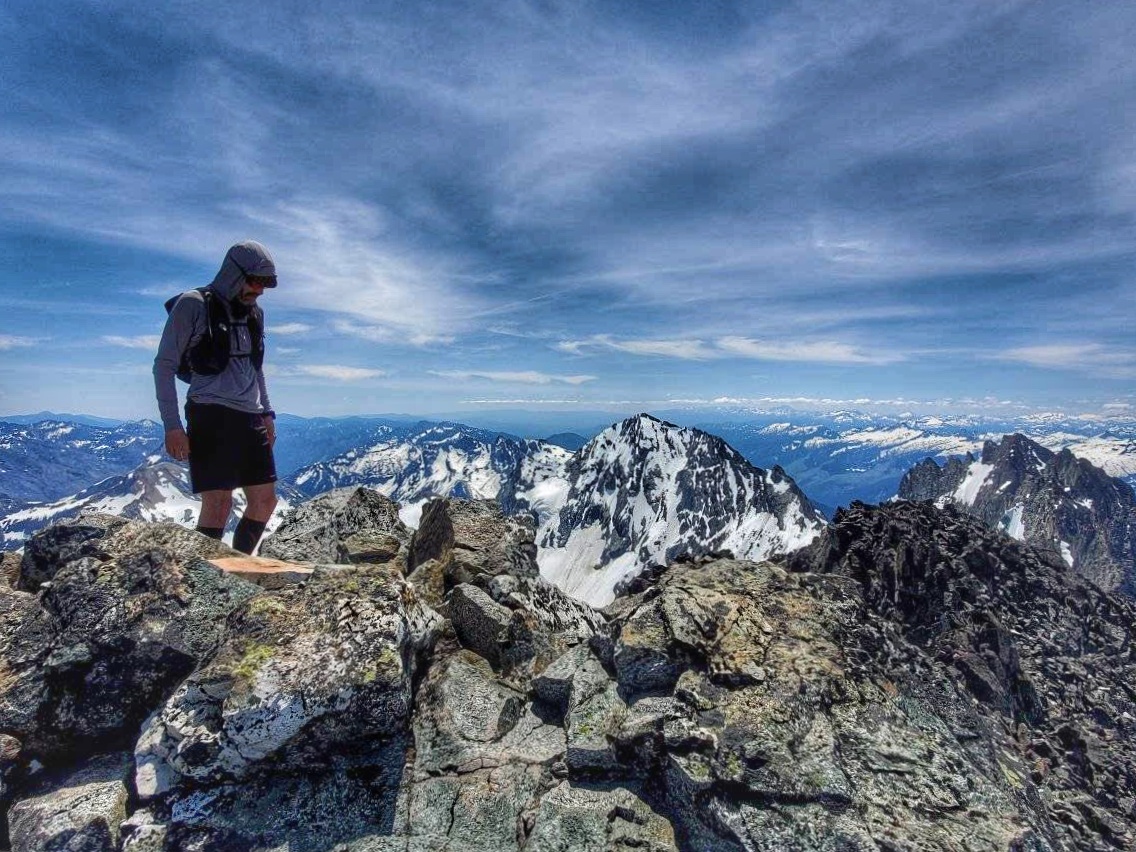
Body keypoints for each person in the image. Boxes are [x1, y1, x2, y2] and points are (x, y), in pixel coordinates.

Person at [153, 240, 279, 554]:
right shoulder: (192, 304)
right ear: (234, 273)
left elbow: (256, 367)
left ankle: (237, 568)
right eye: (254, 281)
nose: (259, 290)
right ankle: (202, 580)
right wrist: (172, 426)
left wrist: (266, 412)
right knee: (218, 503)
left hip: (250, 416)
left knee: (265, 501)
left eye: (264, 285)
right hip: (210, 414)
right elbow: (164, 366)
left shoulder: (255, 314)